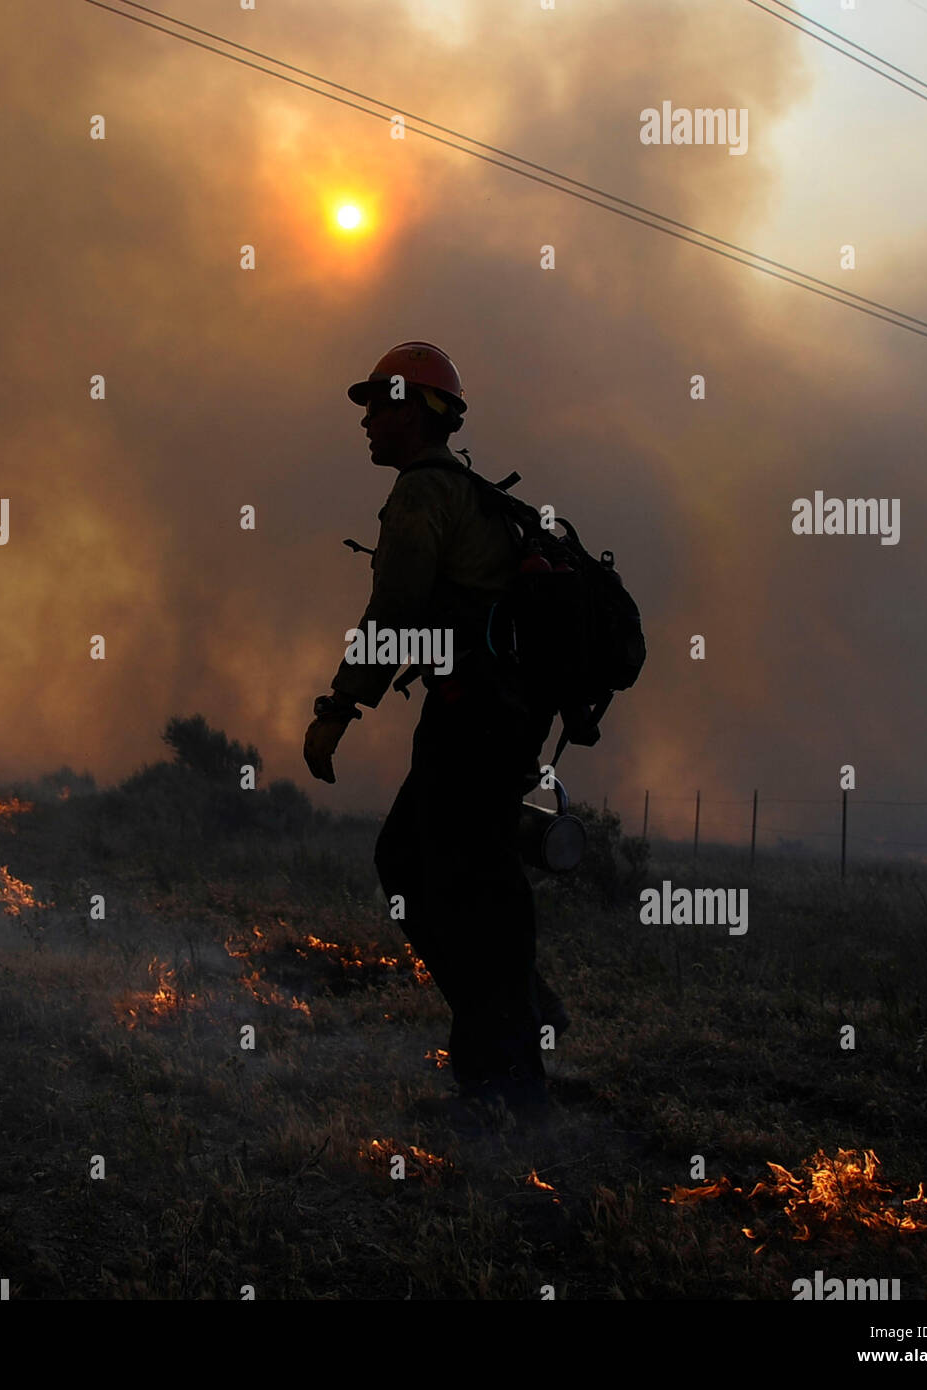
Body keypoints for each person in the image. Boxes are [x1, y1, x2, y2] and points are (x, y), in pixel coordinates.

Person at [303, 341, 559, 1118]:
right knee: (459, 874)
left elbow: (395, 614)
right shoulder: (467, 493)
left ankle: (499, 1068)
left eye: (379, 406)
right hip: (499, 718)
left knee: (423, 867)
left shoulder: (423, 493)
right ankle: (515, 1032)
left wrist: (336, 711)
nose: (367, 423)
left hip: (473, 719)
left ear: (415, 411)